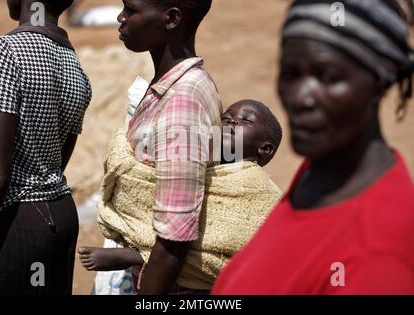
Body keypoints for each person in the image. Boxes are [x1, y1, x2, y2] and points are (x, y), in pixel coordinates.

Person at [212, 0, 414, 295]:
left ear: (380, 82)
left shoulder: (376, 255)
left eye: (329, 77)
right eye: (291, 74)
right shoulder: (320, 175)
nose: (300, 98)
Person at [0, 0, 92, 294]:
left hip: (9, 223)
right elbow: (57, 162)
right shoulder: (74, 65)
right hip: (59, 216)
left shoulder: (1, 52)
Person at [98, 0, 222, 295]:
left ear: (171, 19)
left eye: (131, 10)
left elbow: (174, 237)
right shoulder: (168, 87)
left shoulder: (182, 102)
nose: (121, 17)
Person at [79, 99, 282, 273]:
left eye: (245, 120)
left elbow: (227, 243)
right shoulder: (196, 167)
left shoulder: (258, 190)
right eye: (225, 117)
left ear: (265, 149)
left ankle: (138, 256)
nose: (231, 121)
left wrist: (135, 257)